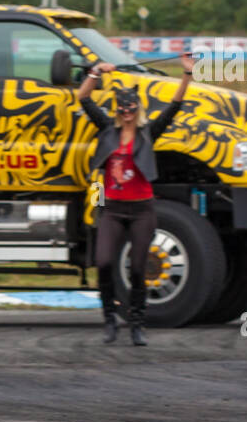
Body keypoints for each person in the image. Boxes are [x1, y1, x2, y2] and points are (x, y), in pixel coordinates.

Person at [76, 52, 194, 346]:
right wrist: (96, 72)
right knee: (103, 262)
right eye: (122, 107)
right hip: (112, 210)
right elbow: (83, 98)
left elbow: (174, 107)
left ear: (137, 108)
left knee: (139, 268)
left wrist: (187, 74)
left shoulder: (148, 133)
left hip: (142, 210)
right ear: (117, 109)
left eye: (131, 107)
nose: (126, 111)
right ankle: (109, 321)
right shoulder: (107, 130)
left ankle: (137, 324)